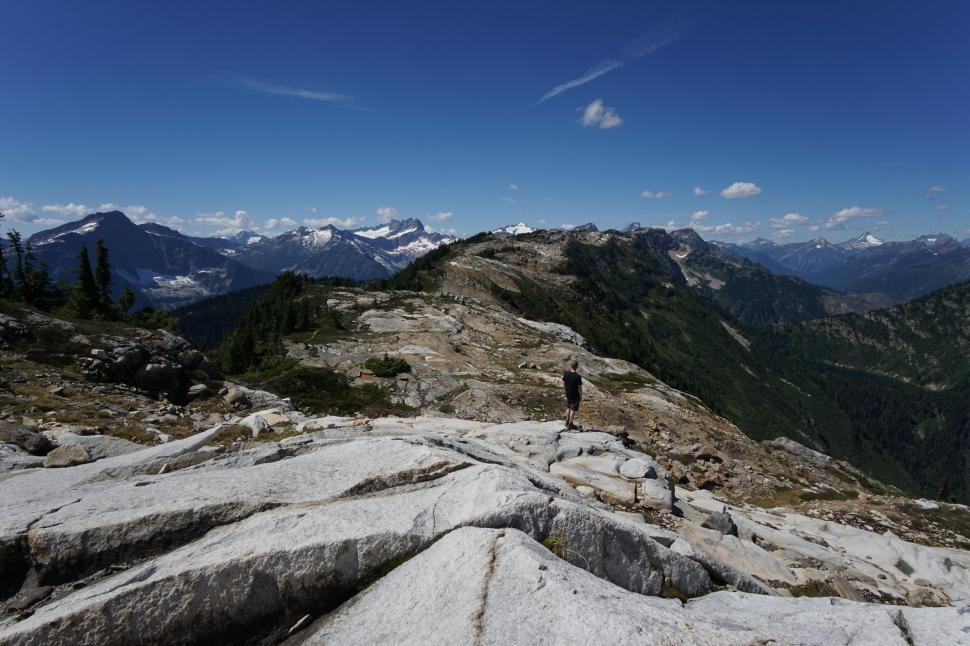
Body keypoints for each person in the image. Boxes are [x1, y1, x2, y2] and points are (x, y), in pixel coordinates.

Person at [562, 360, 582, 431]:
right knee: (573, 409)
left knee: (568, 408)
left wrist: (565, 390)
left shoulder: (566, 374)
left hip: (568, 394)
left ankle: (567, 421)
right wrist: (581, 396)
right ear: (577, 367)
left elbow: (564, 382)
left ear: (571, 366)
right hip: (575, 396)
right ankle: (570, 424)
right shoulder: (578, 377)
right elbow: (579, 387)